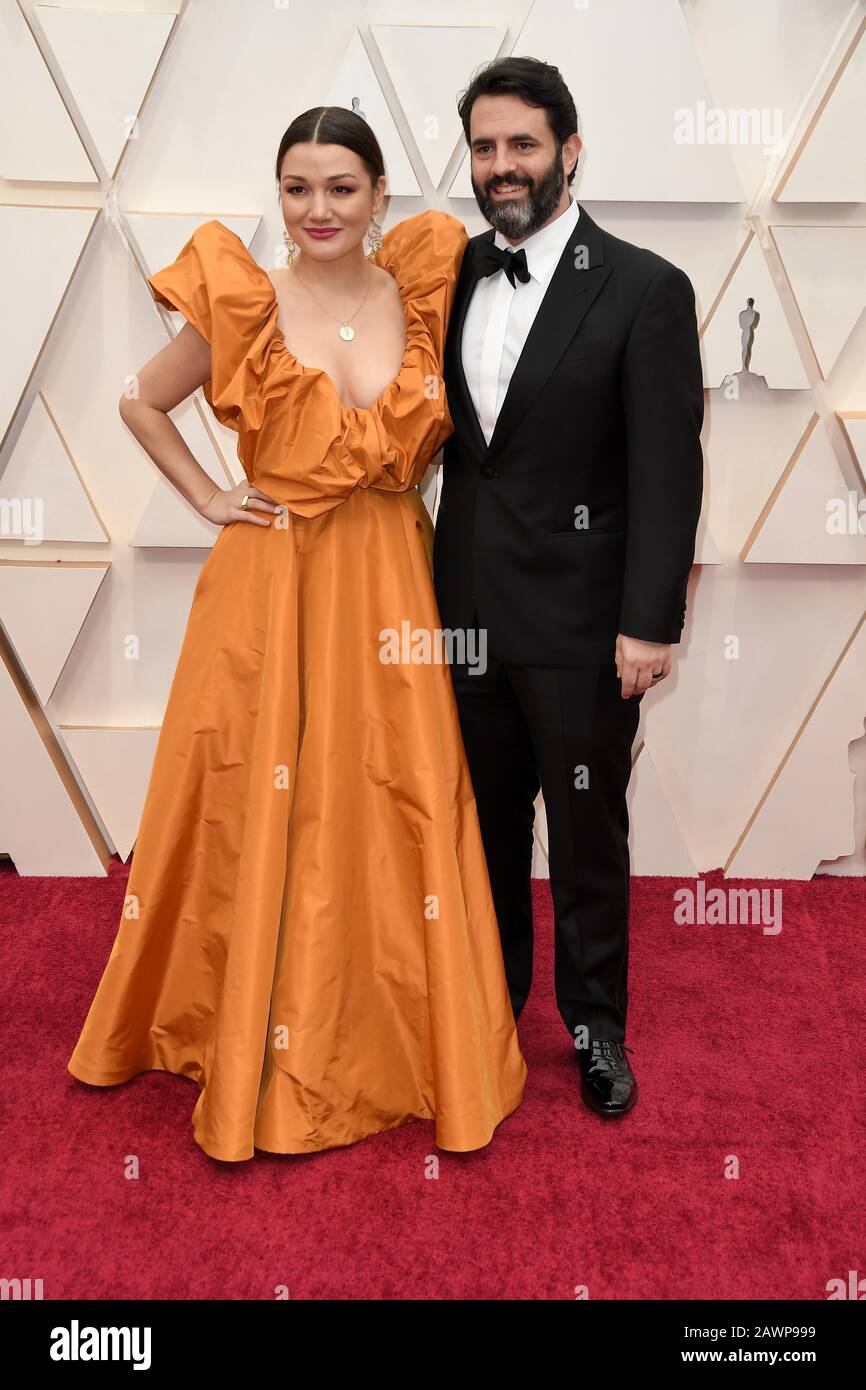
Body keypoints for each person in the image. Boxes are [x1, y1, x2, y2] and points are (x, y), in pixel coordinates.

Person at [67, 106, 527, 1162]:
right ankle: (241, 1031)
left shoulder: (422, 293)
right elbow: (141, 401)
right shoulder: (244, 297)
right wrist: (210, 497)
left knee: (396, 792)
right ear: (277, 195)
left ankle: (399, 1034)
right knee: (257, 792)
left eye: (340, 188)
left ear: (377, 196)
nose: (317, 209)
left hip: (390, 578)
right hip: (269, 580)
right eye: (296, 188)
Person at [433, 58, 704, 1116]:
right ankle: (488, 1014)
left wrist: (648, 625)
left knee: (586, 839)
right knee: (481, 831)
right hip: (464, 619)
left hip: (586, 630)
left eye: (522, 146)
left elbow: (666, 471)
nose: (502, 167)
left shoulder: (643, 287)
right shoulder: (447, 271)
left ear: (569, 151)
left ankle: (594, 1031)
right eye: (486, 148)